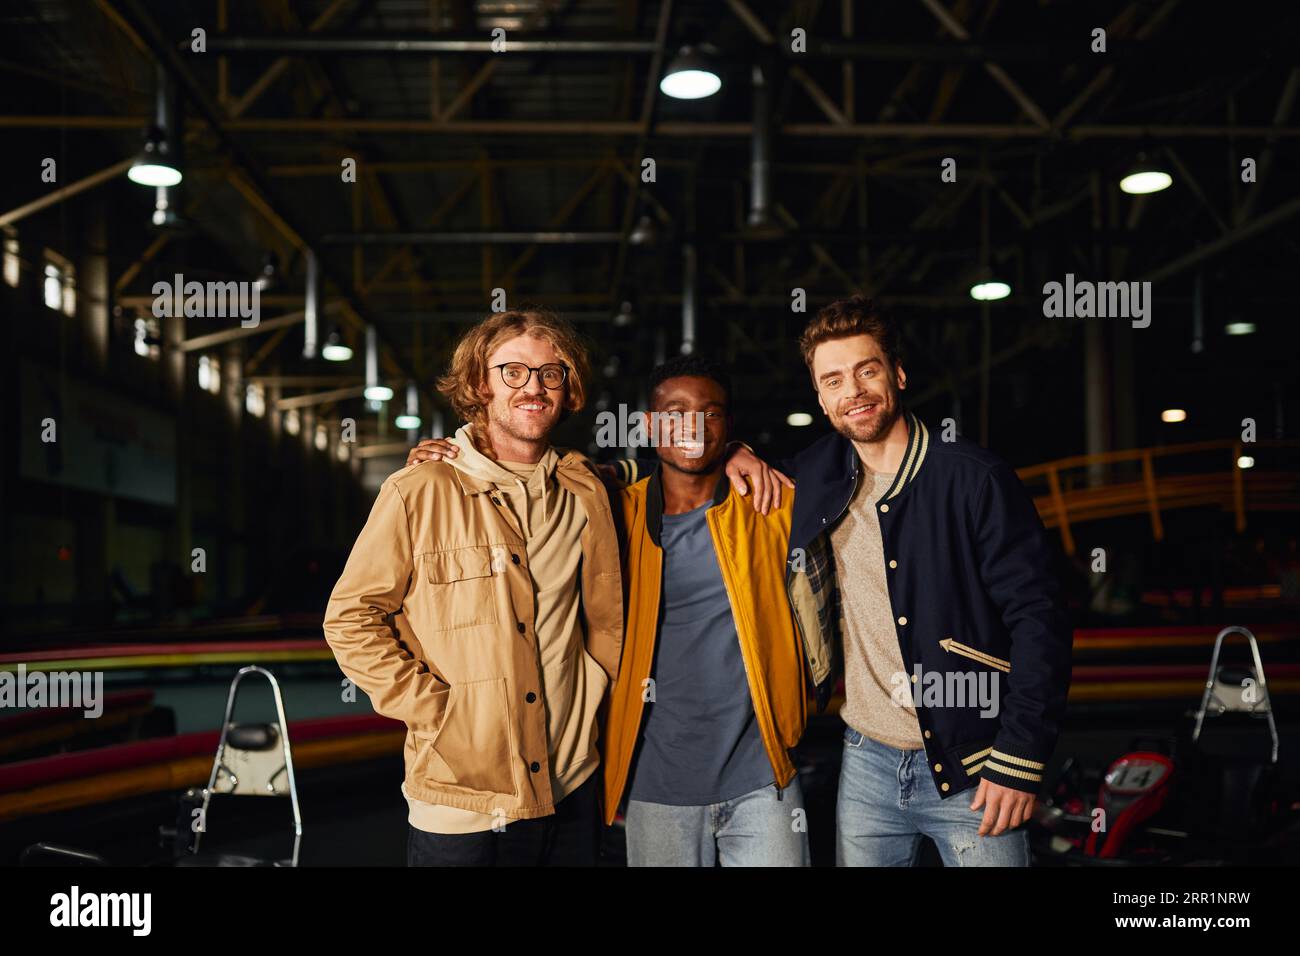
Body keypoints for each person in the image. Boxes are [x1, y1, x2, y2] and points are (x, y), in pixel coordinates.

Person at [324, 307, 623, 866]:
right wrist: (438, 714)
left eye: (550, 373)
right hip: (464, 801)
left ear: (568, 387)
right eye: (512, 371)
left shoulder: (584, 488)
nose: (533, 387)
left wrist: (734, 456)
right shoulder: (420, 490)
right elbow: (351, 617)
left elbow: (671, 475)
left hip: (572, 781)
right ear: (480, 384)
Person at [787, 295, 1072, 866]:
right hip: (865, 761)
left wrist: (1019, 755)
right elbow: (733, 471)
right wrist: (740, 454)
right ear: (821, 398)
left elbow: (1041, 618)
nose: (854, 392)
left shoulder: (975, 479)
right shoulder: (814, 474)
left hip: (975, 764)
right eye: (834, 380)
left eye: (867, 370)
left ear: (897, 372)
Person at [600, 355, 825, 866]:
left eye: (710, 412)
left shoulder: (771, 507)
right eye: (675, 412)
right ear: (649, 426)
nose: (693, 426)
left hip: (763, 777)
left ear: (728, 426)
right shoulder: (614, 516)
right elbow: (544, 481)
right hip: (656, 784)